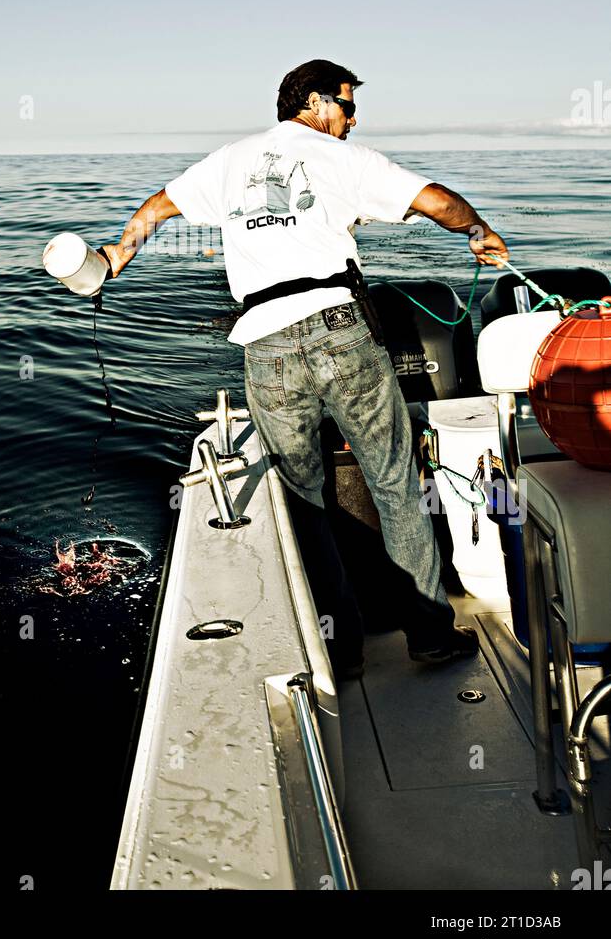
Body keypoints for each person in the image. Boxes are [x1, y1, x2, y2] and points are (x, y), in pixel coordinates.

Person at [100, 59, 509, 678]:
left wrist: (114, 256)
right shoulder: (346, 159)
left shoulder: (231, 160)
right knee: (396, 483)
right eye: (347, 107)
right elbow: (439, 203)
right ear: (316, 104)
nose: (352, 120)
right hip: (341, 329)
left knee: (304, 500)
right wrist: (479, 231)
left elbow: (156, 208)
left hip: (264, 343)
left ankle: (337, 652)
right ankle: (428, 633)